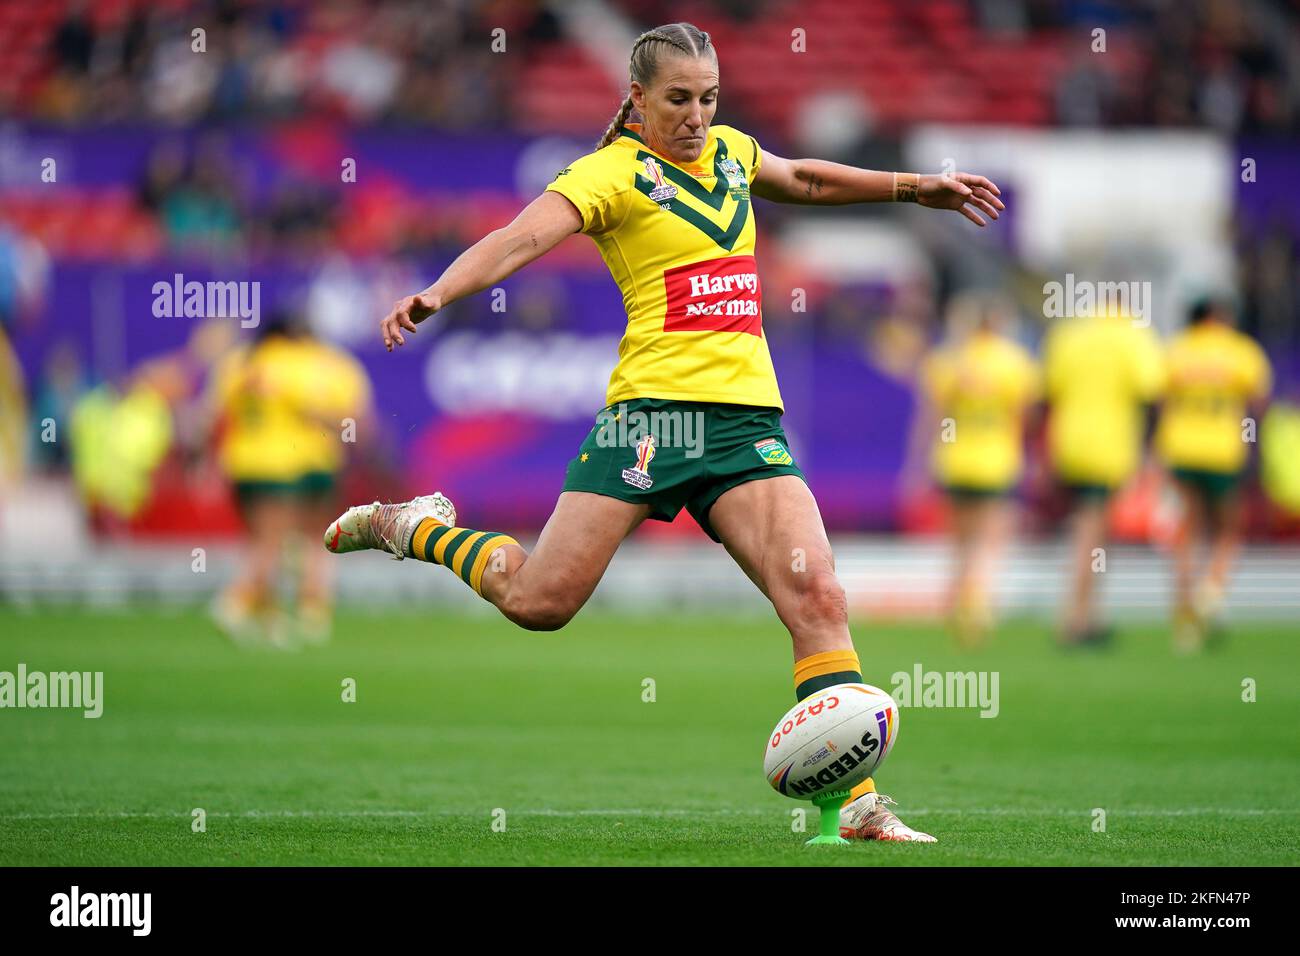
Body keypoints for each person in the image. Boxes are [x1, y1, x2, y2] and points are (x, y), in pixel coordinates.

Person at [325, 22, 1003, 841]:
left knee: (817, 593)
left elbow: (807, 182)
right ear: (637, 99)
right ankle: (416, 527)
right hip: (650, 419)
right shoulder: (607, 175)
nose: (696, 114)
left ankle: (853, 805)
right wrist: (438, 292)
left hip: (747, 421)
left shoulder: (732, 153)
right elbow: (520, 239)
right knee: (541, 602)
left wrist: (911, 188)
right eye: (678, 99)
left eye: (708, 98)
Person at [210, 314, 373, 645]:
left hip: (242, 461)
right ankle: (243, 602)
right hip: (297, 462)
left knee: (264, 539)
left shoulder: (238, 362)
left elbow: (215, 410)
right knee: (306, 538)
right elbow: (339, 414)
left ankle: (269, 617)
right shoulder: (313, 363)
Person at [907, 292, 1039, 646]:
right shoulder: (1014, 363)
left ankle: (954, 606)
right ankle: (977, 606)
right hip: (996, 461)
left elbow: (931, 417)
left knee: (959, 542)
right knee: (991, 540)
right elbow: (1023, 418)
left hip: (954, 460)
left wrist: (916, 466)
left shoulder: (948, 361)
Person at [1042, 305, 1164, 646]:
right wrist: (1149, 449)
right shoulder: (1134, 337)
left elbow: (1048, 392)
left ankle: (1087, 614)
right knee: (1092, 531)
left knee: (1091, 530)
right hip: (1109, 446)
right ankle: (1076, 619)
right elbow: (1151, 394)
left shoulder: (1069, 335)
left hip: (1068, 442)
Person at [1155, 297, 1272, 652]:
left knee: (1187, 533)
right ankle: (1212, 589)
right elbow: (1258, 405)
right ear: (1220, 317)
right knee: (1228, 529)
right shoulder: (1241, 352)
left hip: (1180, 451)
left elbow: (1160, 403)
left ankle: (1185, 627)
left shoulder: (1176, 351)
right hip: (1223, 453)